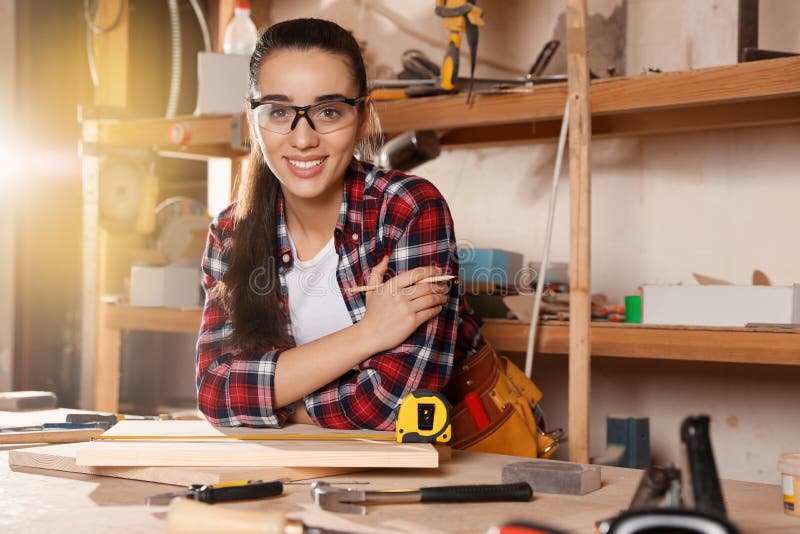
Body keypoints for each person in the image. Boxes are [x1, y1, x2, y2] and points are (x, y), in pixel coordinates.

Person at [196, 17, 485, 430]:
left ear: (363, 114)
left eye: (328, 111)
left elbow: (399, 404)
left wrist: (286, 407)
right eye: (279, 111)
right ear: (252, 117)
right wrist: (369, 334)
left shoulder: (407, 210)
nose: (302, 139)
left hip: (442, 467)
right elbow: (215, 390)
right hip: (302, 469)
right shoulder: (230, 231)